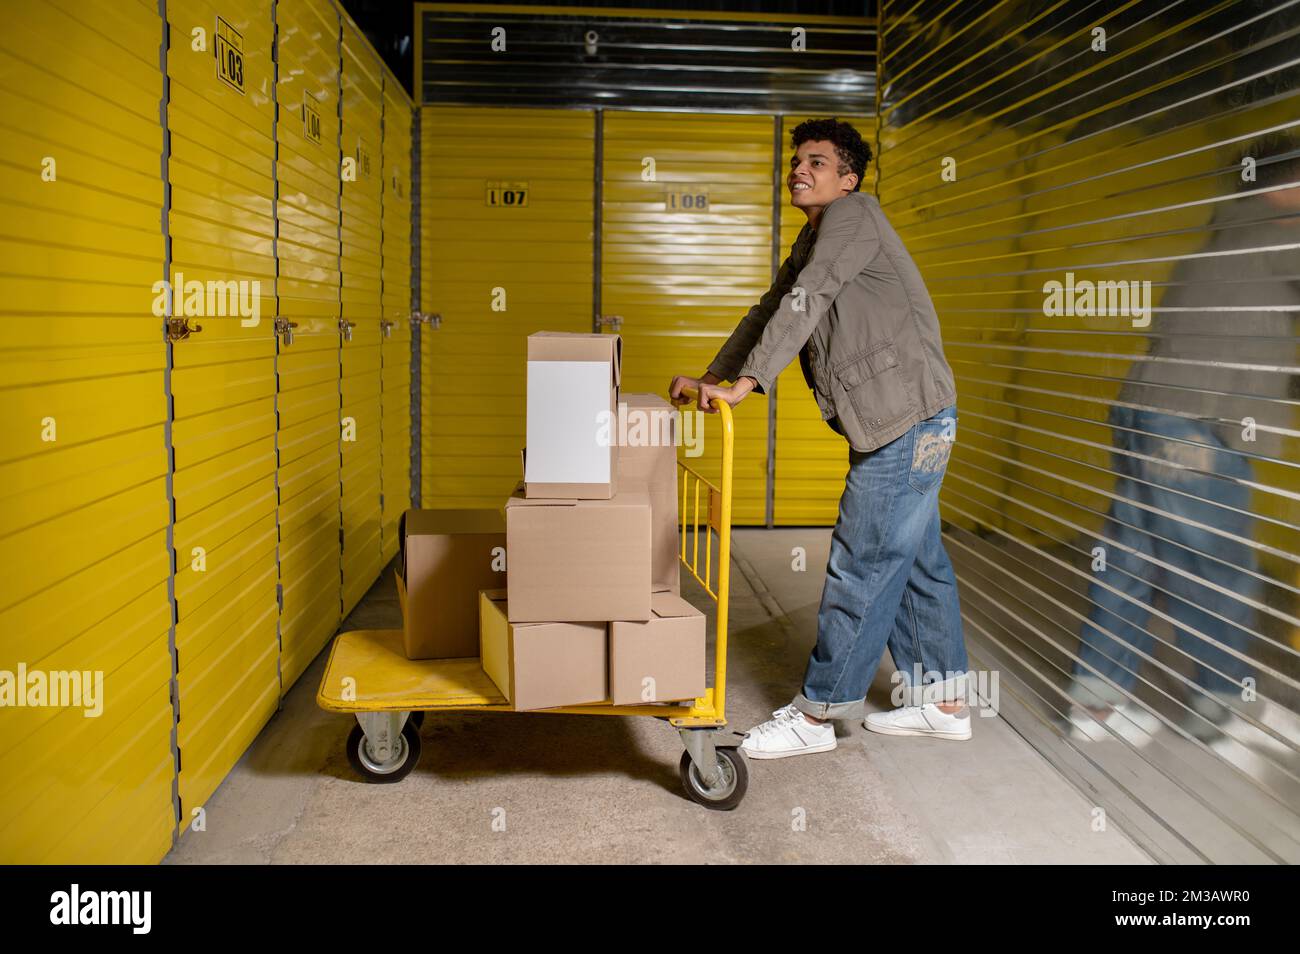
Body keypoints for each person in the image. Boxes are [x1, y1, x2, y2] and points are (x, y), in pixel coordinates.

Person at [669, 118, 972, 759]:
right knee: (916, 560)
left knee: (862, 559)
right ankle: (944, 704)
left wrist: (747, 384)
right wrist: (715, 375)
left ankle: (817, 716)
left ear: (848, 178)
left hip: (907, 421)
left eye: (816, 161)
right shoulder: (814, 237)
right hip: (909, 419)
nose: (799, 169)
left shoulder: (854, 216)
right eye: (796, 160)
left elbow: (807, 301)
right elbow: (770, 306)